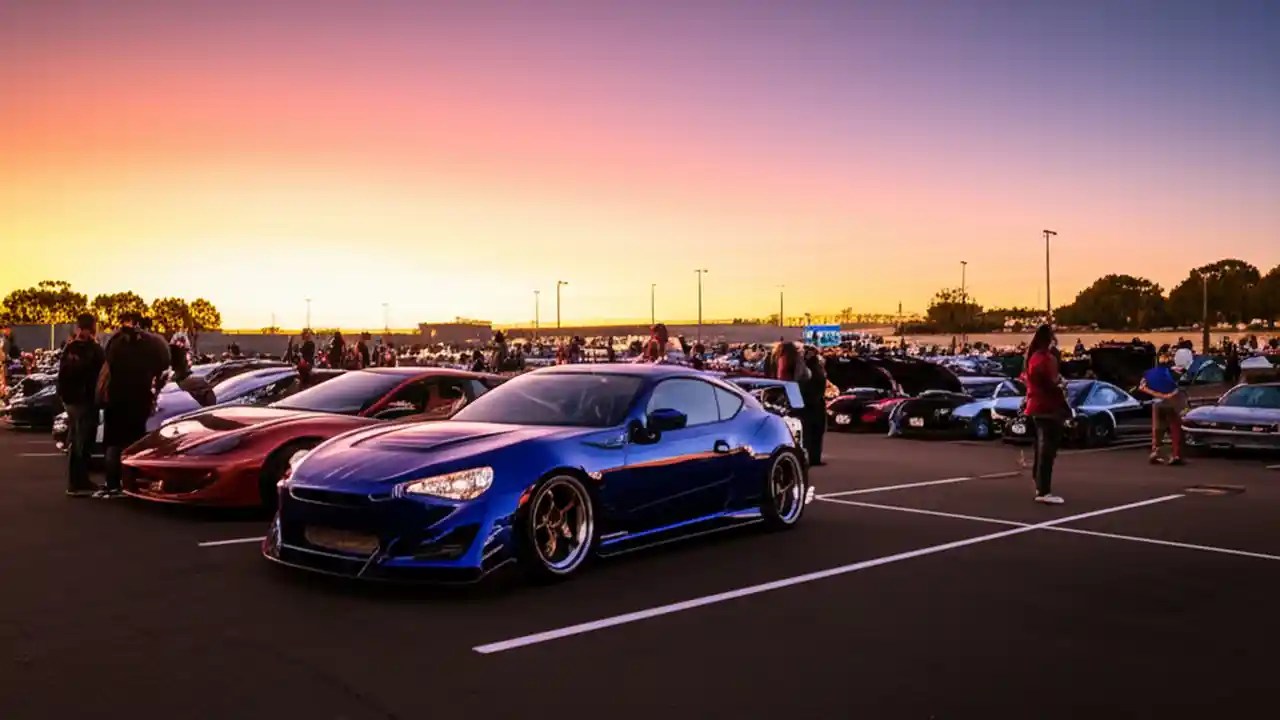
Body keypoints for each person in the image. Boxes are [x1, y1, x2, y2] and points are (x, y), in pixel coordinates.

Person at [98, 312, 168, 499]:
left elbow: (107, 364)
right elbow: (162, 365)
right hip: (138, 399)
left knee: (113, 443)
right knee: (134, 443)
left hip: (116, 399)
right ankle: (131, 483)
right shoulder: (151, 344)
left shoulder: (115, 343)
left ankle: (111, 484)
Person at [57, 313, 105, 497]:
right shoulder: (92, 350)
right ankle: (77, 482)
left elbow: (62, 375)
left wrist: (62, 396)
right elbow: (100, 373)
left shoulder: (70, 349)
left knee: (78, 439)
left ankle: (78, 480)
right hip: (84, 400)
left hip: (71, 400)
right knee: (82, 441)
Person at [1023, 324, 1067, 505]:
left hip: (1035, 407)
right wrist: (1061, 385)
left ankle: (1040, 486)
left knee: (1041, 450)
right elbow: (1051, 383)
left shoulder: (1031, 358)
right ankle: (1043, 490)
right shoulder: (1045, 359)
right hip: (1047, 408)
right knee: (1047, 451)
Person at [1139, 354, 1188, 466]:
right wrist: (1167, 395)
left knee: (1157, 429)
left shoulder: (1148, 373)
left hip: (1156, 403)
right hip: (1171, 403)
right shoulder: (1171, 372)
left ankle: (1155, 452)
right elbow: (1179, 385)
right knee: (1175, 428)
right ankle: (1176, 455)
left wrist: (1157, 394)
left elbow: (1141, 387)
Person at [801, 345, 827, 465]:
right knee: (812, 433)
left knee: (813, 432)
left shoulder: (811, 367)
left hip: (812, 403)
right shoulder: (810, 368)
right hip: (812, 403)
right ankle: (812, 458)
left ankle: (813, 458)